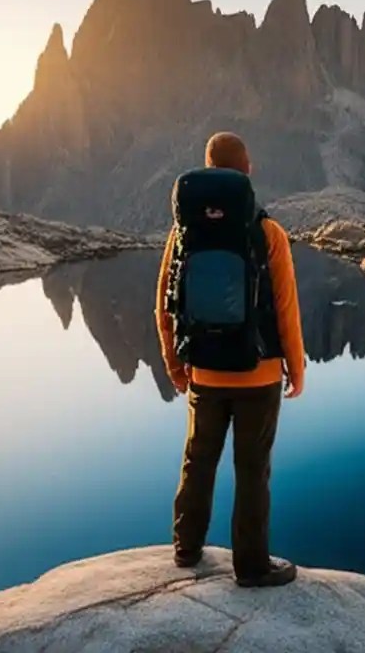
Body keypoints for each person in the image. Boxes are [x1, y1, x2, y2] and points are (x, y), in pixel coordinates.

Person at [155, 131, 306, 588]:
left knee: (198, 460)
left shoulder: (183, 233)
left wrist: (176, 365)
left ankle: (186, 547)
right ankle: (252, 566)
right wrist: (296, 370)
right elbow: (285, 309)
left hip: (203, 369)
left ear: (207, 166)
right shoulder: (268, 232)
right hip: (257, 374)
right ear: (248, 170)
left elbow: (164, 304)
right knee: (252, 469)